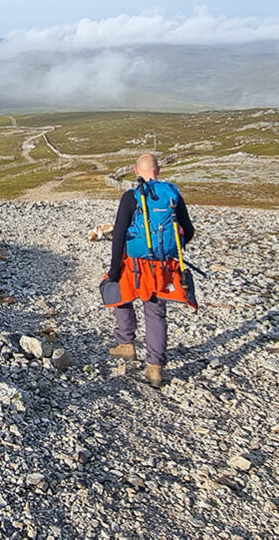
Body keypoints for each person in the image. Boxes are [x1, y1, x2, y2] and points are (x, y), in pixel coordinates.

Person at [106, 153, 195, 387]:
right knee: (156, 313)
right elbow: (189, 230)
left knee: (119, 292)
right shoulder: (172, 195)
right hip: (163, 265)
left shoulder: (130, 196)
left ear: (136, 171)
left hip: (136, 265)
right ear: (159, 171)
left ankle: (126, 343)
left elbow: (119, 235)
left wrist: (115, 267)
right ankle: (155, 368)